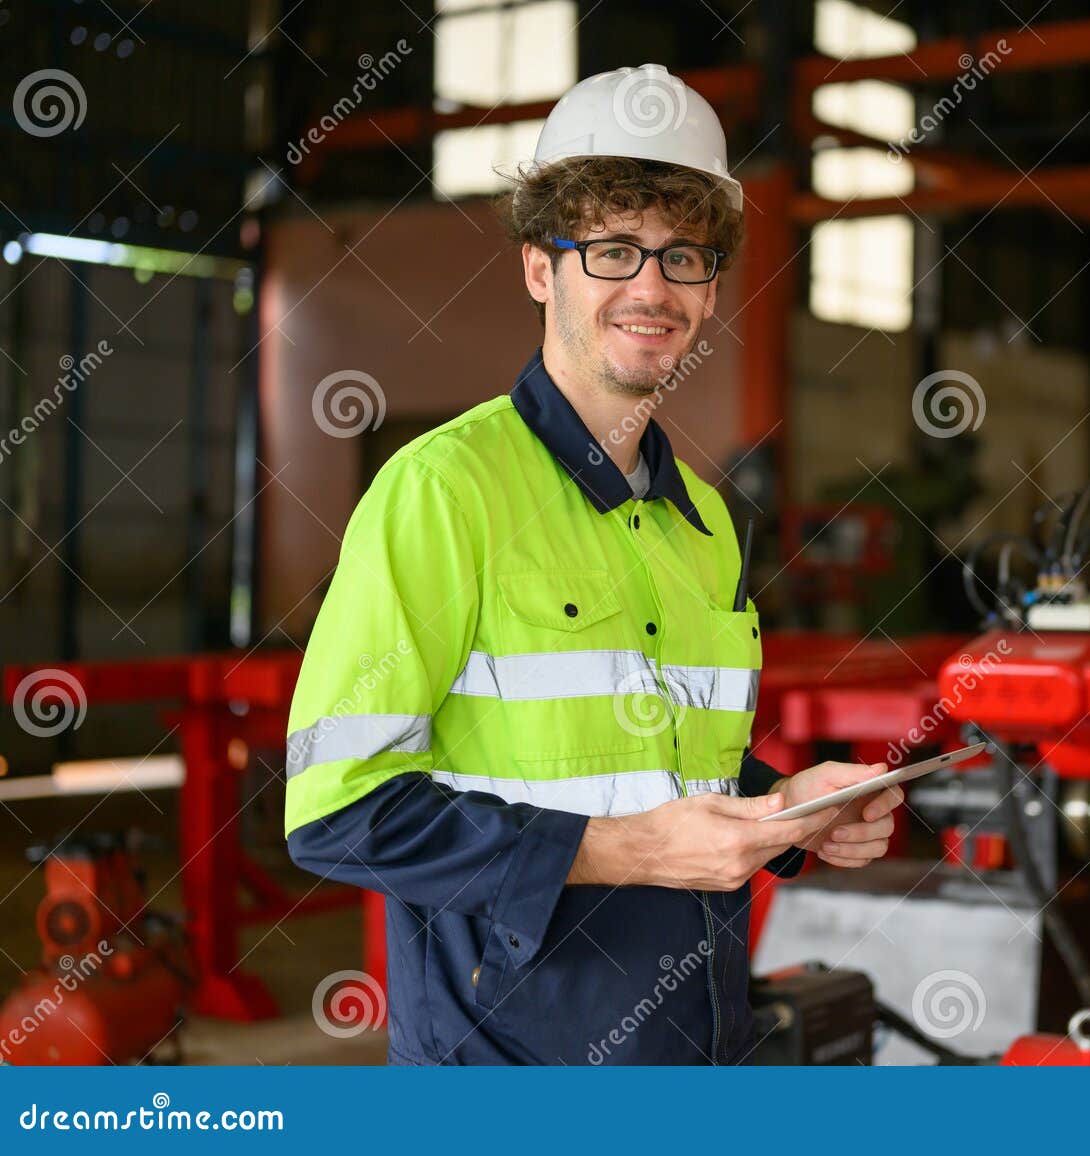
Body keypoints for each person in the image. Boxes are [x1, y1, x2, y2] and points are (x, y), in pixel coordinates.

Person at [284, 64, 903, 1065]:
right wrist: (624, 851)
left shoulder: (702, 520)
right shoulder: (443, 490)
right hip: (510, 1059)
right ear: (541, 267)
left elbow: (658, 767)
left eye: (684, 257)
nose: (651, 289)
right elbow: (338, 811)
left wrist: (787, 812)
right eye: (612, 250)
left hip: (695, 1038)